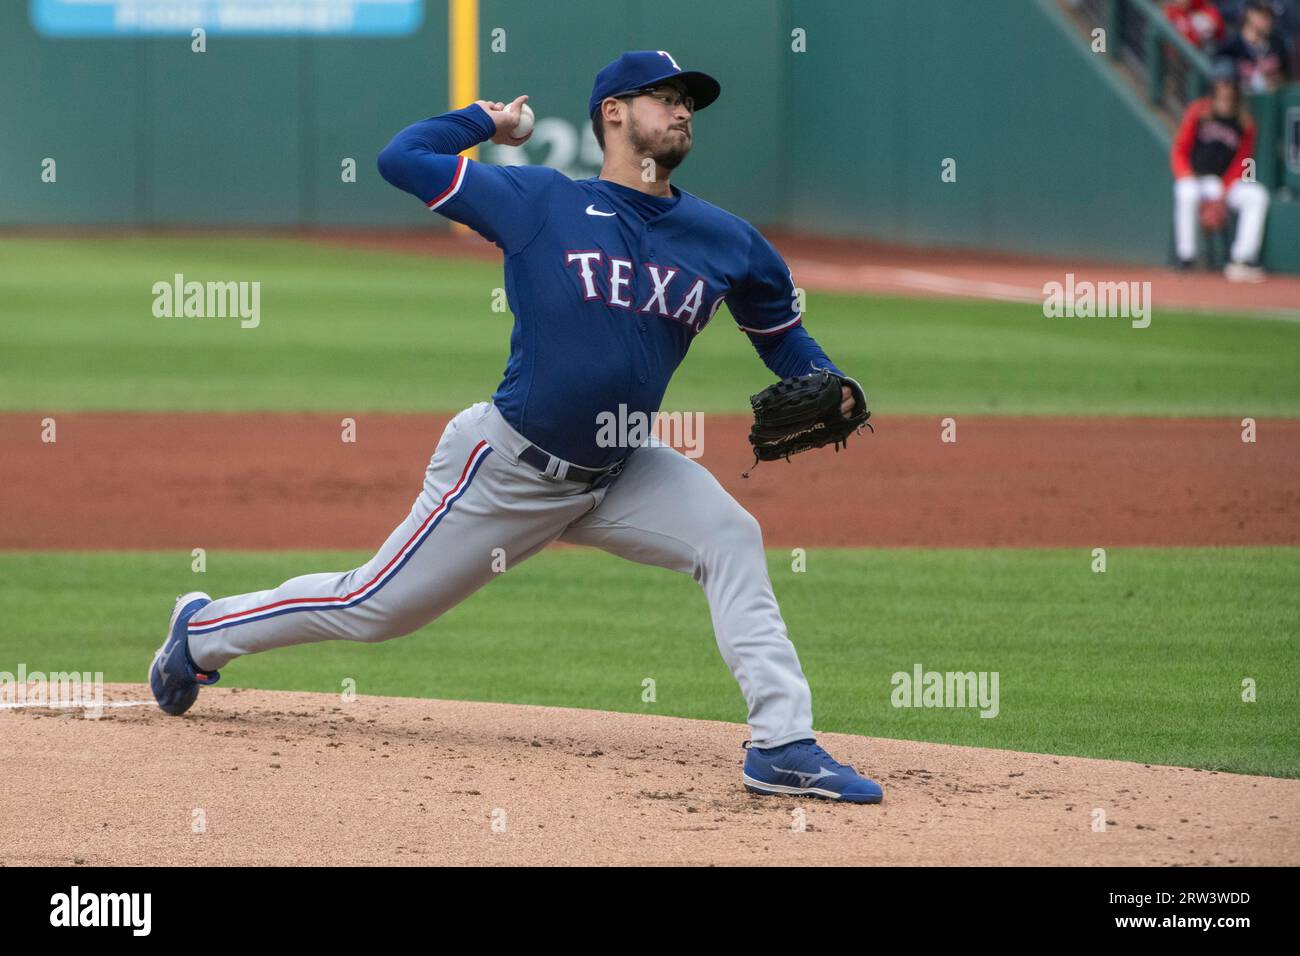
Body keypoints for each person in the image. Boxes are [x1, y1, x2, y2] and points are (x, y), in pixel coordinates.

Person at [148, 51, 884, 805]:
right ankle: (202, 631)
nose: (683, 110)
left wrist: (833, 382)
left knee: (731, 536)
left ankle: (782, 744)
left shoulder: (724, 238)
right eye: (663, 97)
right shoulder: (540, 201)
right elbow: (403, 158)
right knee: (372, 608)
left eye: (689, 100)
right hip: (507, 469)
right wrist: (485, 121)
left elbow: (783, 339)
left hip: (624, 470)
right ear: (614, 114)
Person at [1170, 62, 1270, 280]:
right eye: (1221, 83)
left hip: (1223, 183)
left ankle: (1242, 258)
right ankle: (1186, 257)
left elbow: (1243, 161)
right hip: (1194, 178)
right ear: (1214, 85)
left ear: (1236, 87)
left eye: (1229, 83)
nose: (1225, 88)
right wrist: (1185, 174)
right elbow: (1179, 150)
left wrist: (1222, 196)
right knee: (1185, 193)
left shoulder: (1244, 122)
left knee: (1257, 195)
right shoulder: (1199, 111)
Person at [1217, 0, 1291, 90]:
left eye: (1272, 16)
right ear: (1249, 13)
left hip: (1272, 101)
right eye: (1264, 16)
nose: (1270, 20)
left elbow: (1289, 80)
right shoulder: (1230, 47)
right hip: (1243, 102)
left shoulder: (1278, 44)